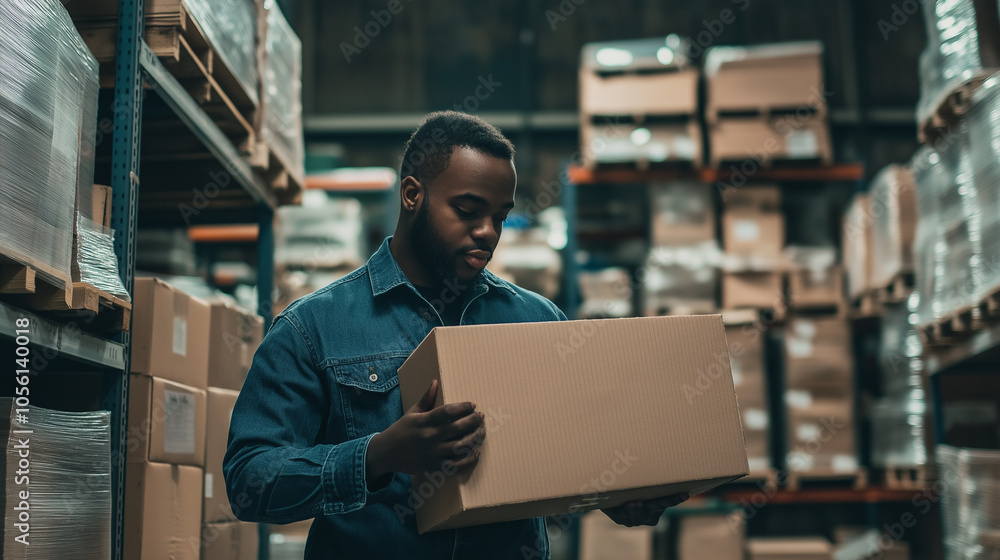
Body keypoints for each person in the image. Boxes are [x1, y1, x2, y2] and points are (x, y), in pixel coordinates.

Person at [223, 111, 687, 559]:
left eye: (501, 217)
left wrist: (620, 497)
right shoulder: (314, 328)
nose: (487, 232)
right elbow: (248, 482)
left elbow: (576, 455)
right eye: (468, 210)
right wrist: (378, 456)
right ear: (411, 195)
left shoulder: (538, 320)